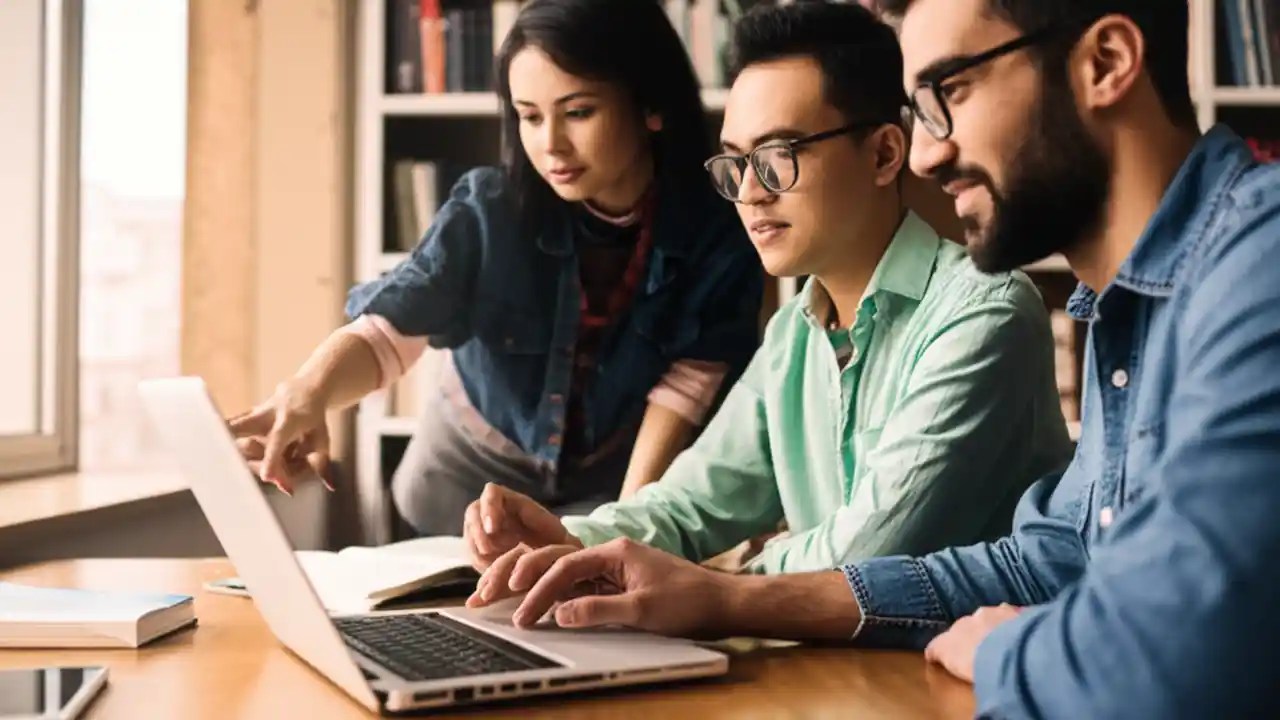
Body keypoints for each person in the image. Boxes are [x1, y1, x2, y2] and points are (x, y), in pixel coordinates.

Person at [463, 0, 1280, 717]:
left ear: (1105, 63)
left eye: (949, 93)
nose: (931, 154)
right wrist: (598, 554)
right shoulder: (1119, 309)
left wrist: (1001, 650)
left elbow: (1178, 661)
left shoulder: (1258, 259)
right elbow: (1056, 557)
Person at [461, 1, 1070, 586]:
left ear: (885, 152)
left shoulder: (984, 315)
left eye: (778, 156)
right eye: (734, 163)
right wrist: (566, 544)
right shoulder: (793, 334)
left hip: (963, 678)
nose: (750, 192)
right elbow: (689, 505)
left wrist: (705, 580)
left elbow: (866, 553)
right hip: (835, 677)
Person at [227, 0, 764, 535]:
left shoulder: (720, 232)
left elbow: (683, 392)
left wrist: (626, 528)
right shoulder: (489, 209)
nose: (550, 144)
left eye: (578, 112)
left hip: (607, 485)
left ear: (651, 106)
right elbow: (390, 330)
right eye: (529, 116)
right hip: (459, 481)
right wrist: (310, 391)